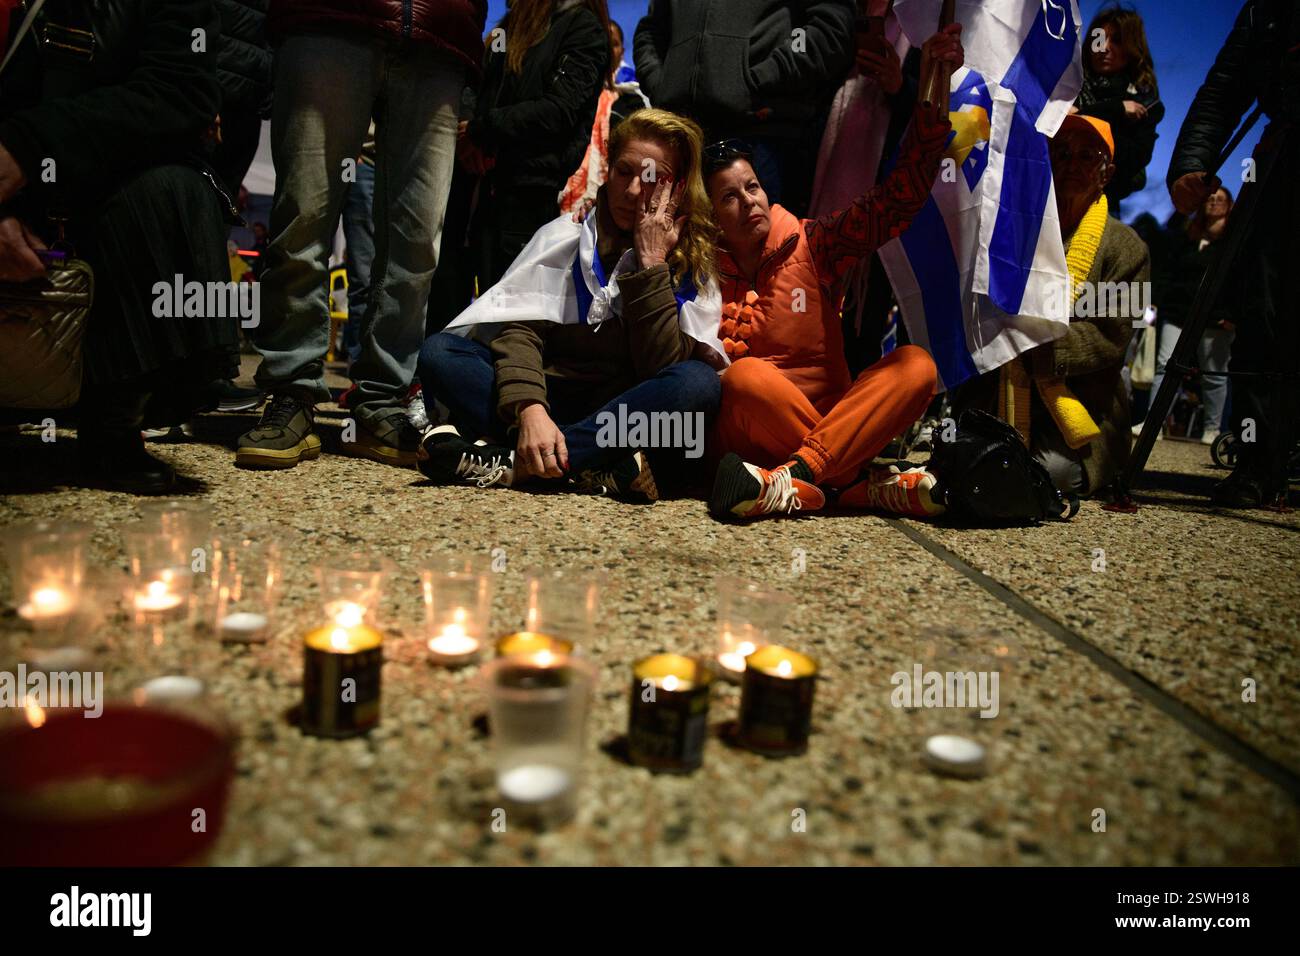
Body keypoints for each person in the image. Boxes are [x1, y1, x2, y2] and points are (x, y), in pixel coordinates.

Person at [704, 25, 962, 522]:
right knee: (745, 379)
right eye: (729, 197)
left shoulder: (816, 241)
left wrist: (933, 94)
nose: (748, 202)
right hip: (754, 437)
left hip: (830, 427)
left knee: (916, 365)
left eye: (752, 186)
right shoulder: (697, 266)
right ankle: (855, 484)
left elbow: (895, 204)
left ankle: (802, 479)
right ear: (710, 215)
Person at [417, 108, 724, 501]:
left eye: (651, 178)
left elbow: (660, 370)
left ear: (677, 188)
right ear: (608, 171)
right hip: (550, 401)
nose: (632, 191)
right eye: (623, 172)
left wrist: (651, 266)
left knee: (696, 385)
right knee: (442, 353)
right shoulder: (566, 235)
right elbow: (519, 331)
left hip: (622, 417)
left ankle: (513, 463)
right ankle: (590, 466)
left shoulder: (691, 261)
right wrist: (530, 409)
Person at [0, 0, 239, 494]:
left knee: (172, 193)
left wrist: (29, 148)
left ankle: (115, 418)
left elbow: (182, 90)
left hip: (91, 182)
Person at [234, 0, 485, 470]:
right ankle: (292, 391)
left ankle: (383, 401)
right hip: (332, 17)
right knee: (303, 219)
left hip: (441, 33)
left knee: (418, 242)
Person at [954, 115, 1151, 498]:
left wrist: (1033, 343)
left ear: (1106, 173)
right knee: (969, 461)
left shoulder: (1128, 248)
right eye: (1061, 154)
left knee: (1051, 477)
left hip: (1081, 404)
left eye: (1086, 156)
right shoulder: (1016, 230)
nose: (1072, 164)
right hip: (1002, 393)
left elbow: (1112, 336)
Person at [1167, 0, 1298, 509]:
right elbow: (1223, 90)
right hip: (1284, 154)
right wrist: (1192, 162)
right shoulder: (1266, 10)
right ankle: (1257, 458)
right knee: (1265, 312)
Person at [634, 0, 857, 217]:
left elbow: (831, 25)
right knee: (682, 251)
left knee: (768, 251)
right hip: (684, 141)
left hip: (763, 137)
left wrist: (763, 77)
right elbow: (650, 32)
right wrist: (660, 85)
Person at [1148, 187, 1236, 445]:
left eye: (1220, 199)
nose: (1214, 203)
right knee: (1165, 367)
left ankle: (1212, 429)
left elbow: (1238, 281)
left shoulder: (1234, 241)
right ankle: (1153, 423)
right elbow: (1169, 272)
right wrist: (1158, 301)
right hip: (1179, 313)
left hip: (1215, 318)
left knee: (1214, 374)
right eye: (1209, 198)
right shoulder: (1187, 237)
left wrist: (1229, 314)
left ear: (1229, 206)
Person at [1072, 5, 1163, 215]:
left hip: (1101, 203)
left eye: (1117, 41)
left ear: (1132, 48)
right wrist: (1115, 110)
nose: (1104, 47)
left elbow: (1134, 159)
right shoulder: (1066, 82)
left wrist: (1081, 118)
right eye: (1098, 38)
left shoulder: (1146, 102)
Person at [559, 20, 651, 215]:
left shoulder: (634, 99)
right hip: (559, 195)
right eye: (603, 41)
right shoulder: (567, 93)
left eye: (615, 44)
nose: (609, 49)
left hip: (613, 202)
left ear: (622, 51)